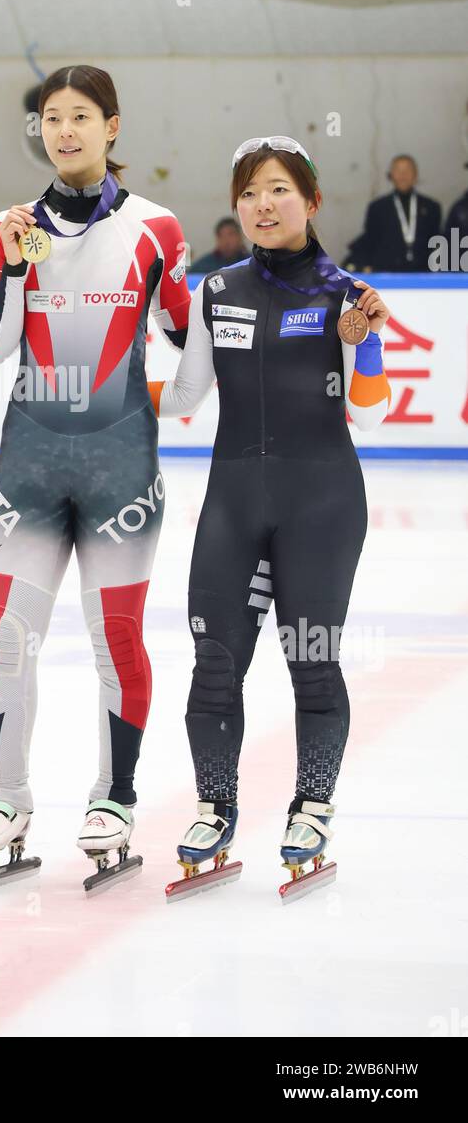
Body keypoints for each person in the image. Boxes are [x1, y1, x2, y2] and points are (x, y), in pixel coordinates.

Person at [0, 65, 191, 892]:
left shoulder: (157, 228)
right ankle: (7, 795)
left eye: (81, 117)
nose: (64, 131)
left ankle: (115, 797)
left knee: (115, 639)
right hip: (28, 461)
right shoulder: (6, 227)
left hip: (121, 464)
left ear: (112, 126)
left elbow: (182, 337)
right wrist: (19, 266)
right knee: (8, 635)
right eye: (52, 118)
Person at [150, 136, 391, 898]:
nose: (262, 204)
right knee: (214, 663)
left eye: (280, 189)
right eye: (250, 191)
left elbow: (371, 412)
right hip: (231, 502)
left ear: (312, 202)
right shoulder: (216, 291)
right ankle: (214, 808)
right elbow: (186, 396)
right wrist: (111, 390)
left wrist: (369, 346)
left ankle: (312, 805)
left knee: (312, 664)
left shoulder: (344, 295)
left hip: (320, 503)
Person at [343, 154, 441, 272]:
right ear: (391, 175)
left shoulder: (431, 207)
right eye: (398, 170)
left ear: (415, 175)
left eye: (407, 170)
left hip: (423, 277)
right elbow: (369, 241)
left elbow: (438, 243)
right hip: (387, 277)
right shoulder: (377, 207)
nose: (403, 175)